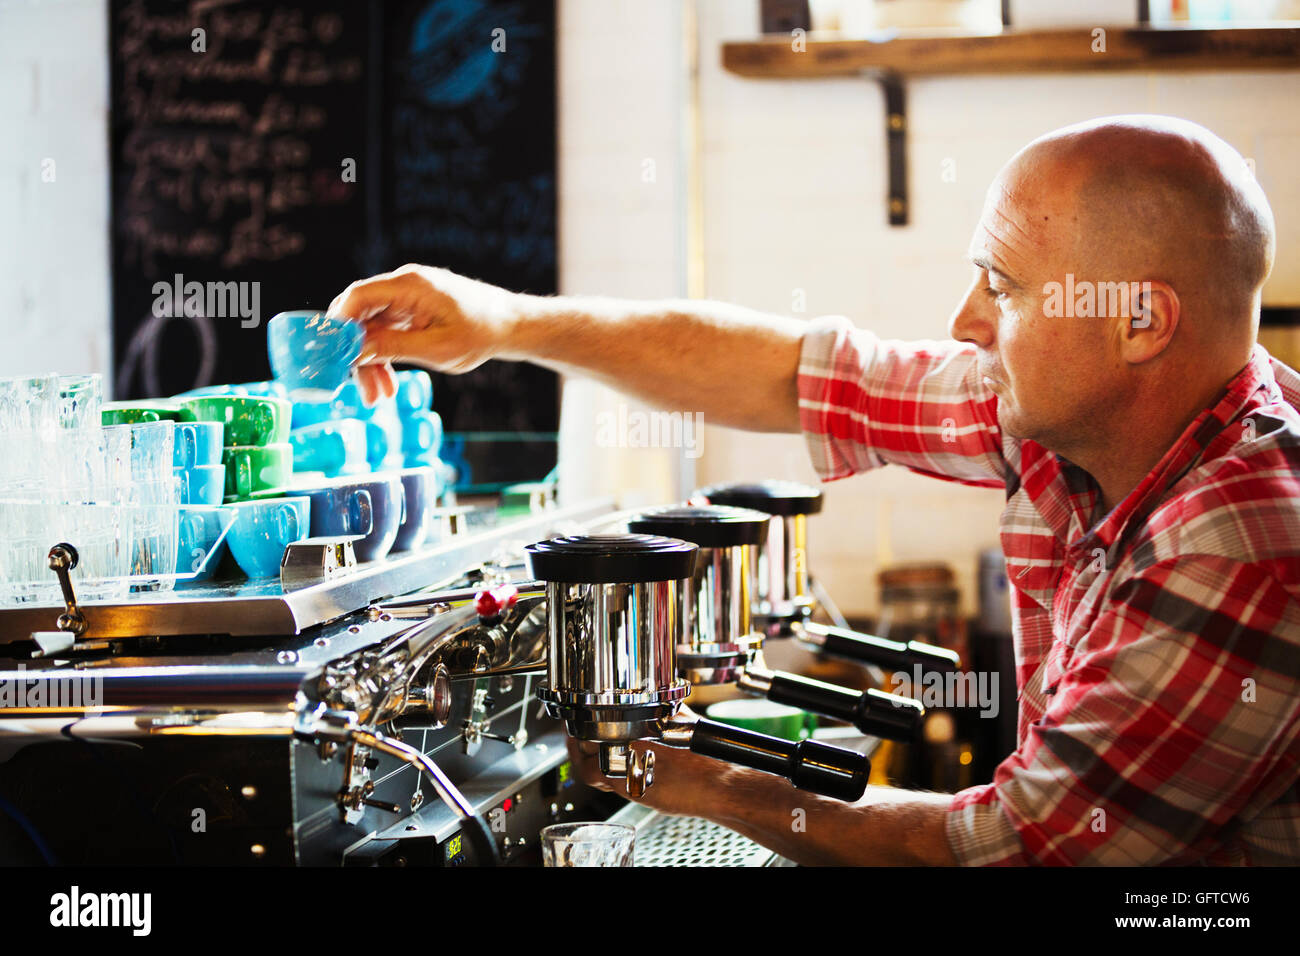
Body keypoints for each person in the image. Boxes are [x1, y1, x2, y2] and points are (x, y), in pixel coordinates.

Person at [329, 115, 1299, 865]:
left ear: (1139, 320)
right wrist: (504, 321)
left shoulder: (1238, 542)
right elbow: (794, 372)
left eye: (1001, 288)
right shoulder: (1078, 413)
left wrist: (697, 782)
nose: (964, 321)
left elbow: (1005, 847)